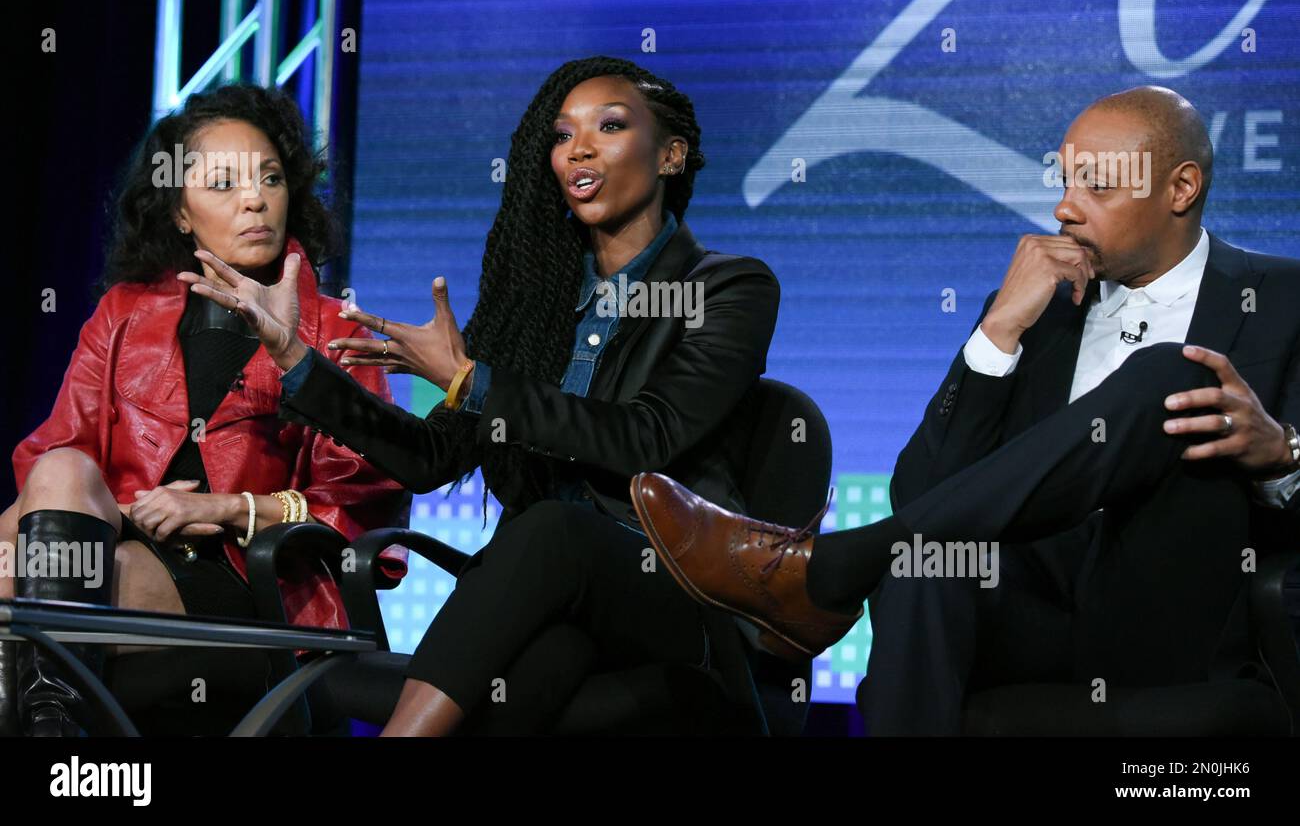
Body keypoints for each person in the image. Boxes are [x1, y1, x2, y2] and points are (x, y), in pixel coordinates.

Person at [628, 85, 1300, 734]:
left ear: (1180, 189)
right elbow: (922, 493)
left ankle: (830, 570)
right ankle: (846, 568)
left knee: (1172, 371)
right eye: (1063, 183)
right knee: (924, 561)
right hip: (1029, 618)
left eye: (1096, 186)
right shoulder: (1039, 310)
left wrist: (1284, 455)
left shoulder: (1282, 300)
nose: (1065, 209)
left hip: (1178, 612)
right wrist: (999, 330)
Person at [179, 55, 789, 735]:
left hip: (672, 594)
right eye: (561, 136)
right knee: (532, 672)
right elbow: (429, 458)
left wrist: (474, 382)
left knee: (556, 531)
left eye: (609, 126)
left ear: (671, 155)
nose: (578, 149)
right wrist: (295, 357)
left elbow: (647, 439)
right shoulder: (535, 301)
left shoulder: (730, 289)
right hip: (549, 603)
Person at [2, 84, 409, 737]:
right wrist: (127, 510)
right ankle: (53, 729)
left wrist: (222, 508)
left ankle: (54, 745)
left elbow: (362, 498)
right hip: (117, 546)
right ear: (181, 214)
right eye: (224, 183)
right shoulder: (124, 314)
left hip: (256, 581)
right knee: (57, 474)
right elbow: (54, 462)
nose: (255, 199)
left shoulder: (336, 330)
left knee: (45, 592)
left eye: (271, 179)